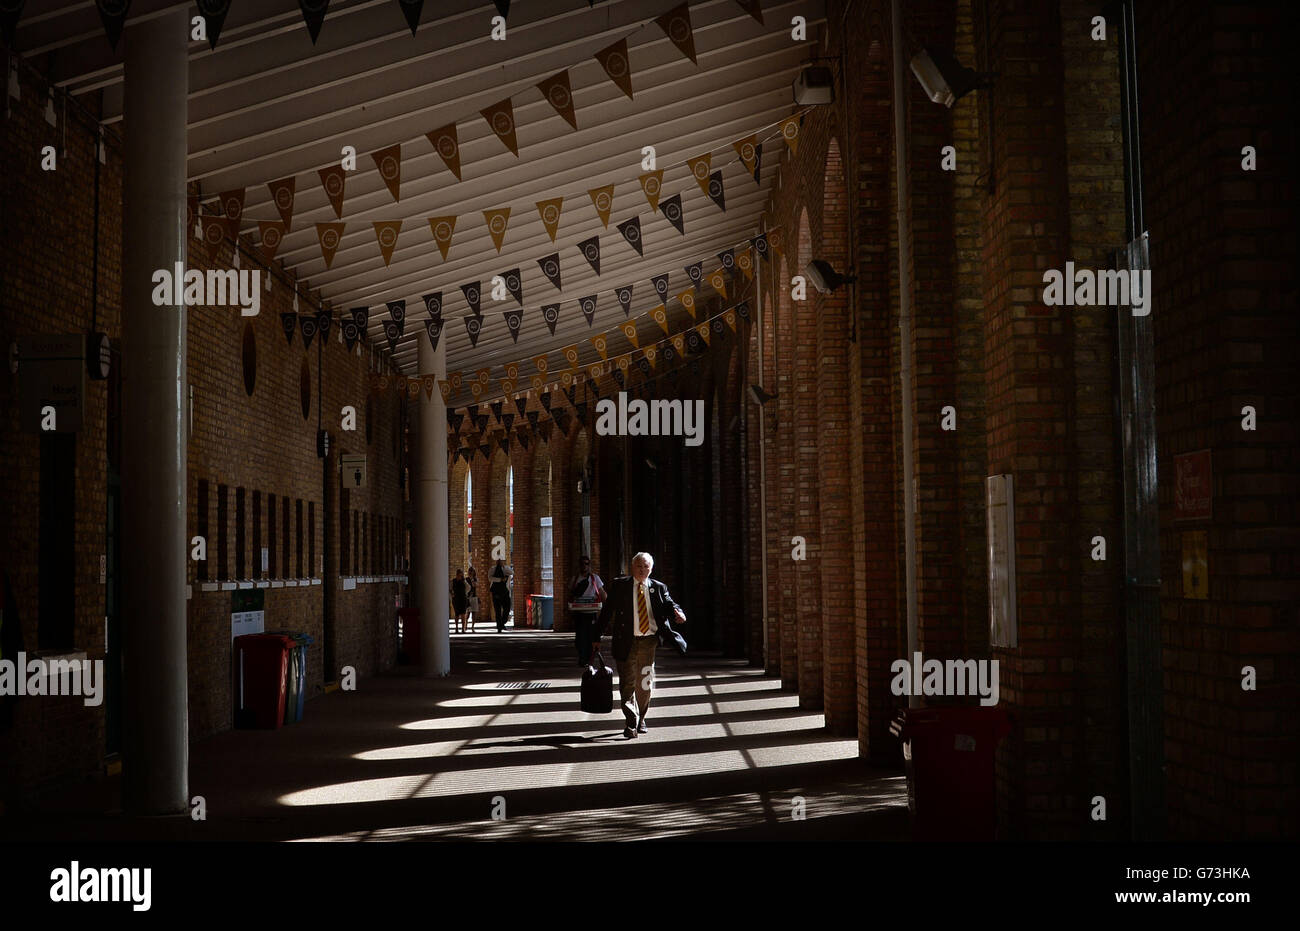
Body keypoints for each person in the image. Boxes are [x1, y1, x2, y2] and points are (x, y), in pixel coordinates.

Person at [591, 552, 687, 739]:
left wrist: (678, 613)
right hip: (626, 641)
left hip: (648, 642)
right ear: (632, 567)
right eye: (639, 566)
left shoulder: (658, 588)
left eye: (646, 567)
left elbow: (669, 604)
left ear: (651, 569)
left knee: (645, 683)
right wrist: (597, 636)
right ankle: (631, 721)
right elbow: (607, 611)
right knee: (627, 683)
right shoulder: (620, 586)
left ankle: (642, 716)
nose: (642, 570)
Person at [569, 556, 606, 665]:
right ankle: (582, 658)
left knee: (591, 636)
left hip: (592, 613)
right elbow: (571, 594)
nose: (584, 566)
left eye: (586, 564)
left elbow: (602, 592)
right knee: (580, 637)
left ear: (589, 565)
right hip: (579, 613)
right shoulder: (575, 579)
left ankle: (589, 659)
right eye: (582, 564)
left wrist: (607, 606)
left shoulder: (595, 578)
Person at [489, 558, 513, 633]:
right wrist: (500, 579)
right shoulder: (492, 569)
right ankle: (499, 627)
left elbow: (512, 572)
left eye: (501, 561)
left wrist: (504, 567)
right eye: (498, 561)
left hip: (504, 591)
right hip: (496, 592)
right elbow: (490, 578)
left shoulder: (506, 569)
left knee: (507, 607)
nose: (500, 562)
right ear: (496, 562)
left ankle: (502, 622)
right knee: (498, 610)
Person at [451, 569, 469, 634]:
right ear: (457, 574)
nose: (460, 576)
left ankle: (463, 629)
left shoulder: (464, 581)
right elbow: (450, 589)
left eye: (461, 574)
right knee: (457, 614)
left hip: (463, 599)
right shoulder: (453, 581)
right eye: (459, 574)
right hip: (456, 599)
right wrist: (452, 595)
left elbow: (468, 587)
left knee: (463, 614)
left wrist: (465, 593)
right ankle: (456, 628)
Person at [465, 567, 479, 633]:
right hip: (468, 598)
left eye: (472, 571)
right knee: (467, 613)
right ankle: (465, 626)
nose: (470, 572)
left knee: (474, 613)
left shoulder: (475, 579)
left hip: (474, 597)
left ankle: (473, 627)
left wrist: (472, 580)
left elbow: (475, 586)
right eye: (469, 571)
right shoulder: (466, 579)